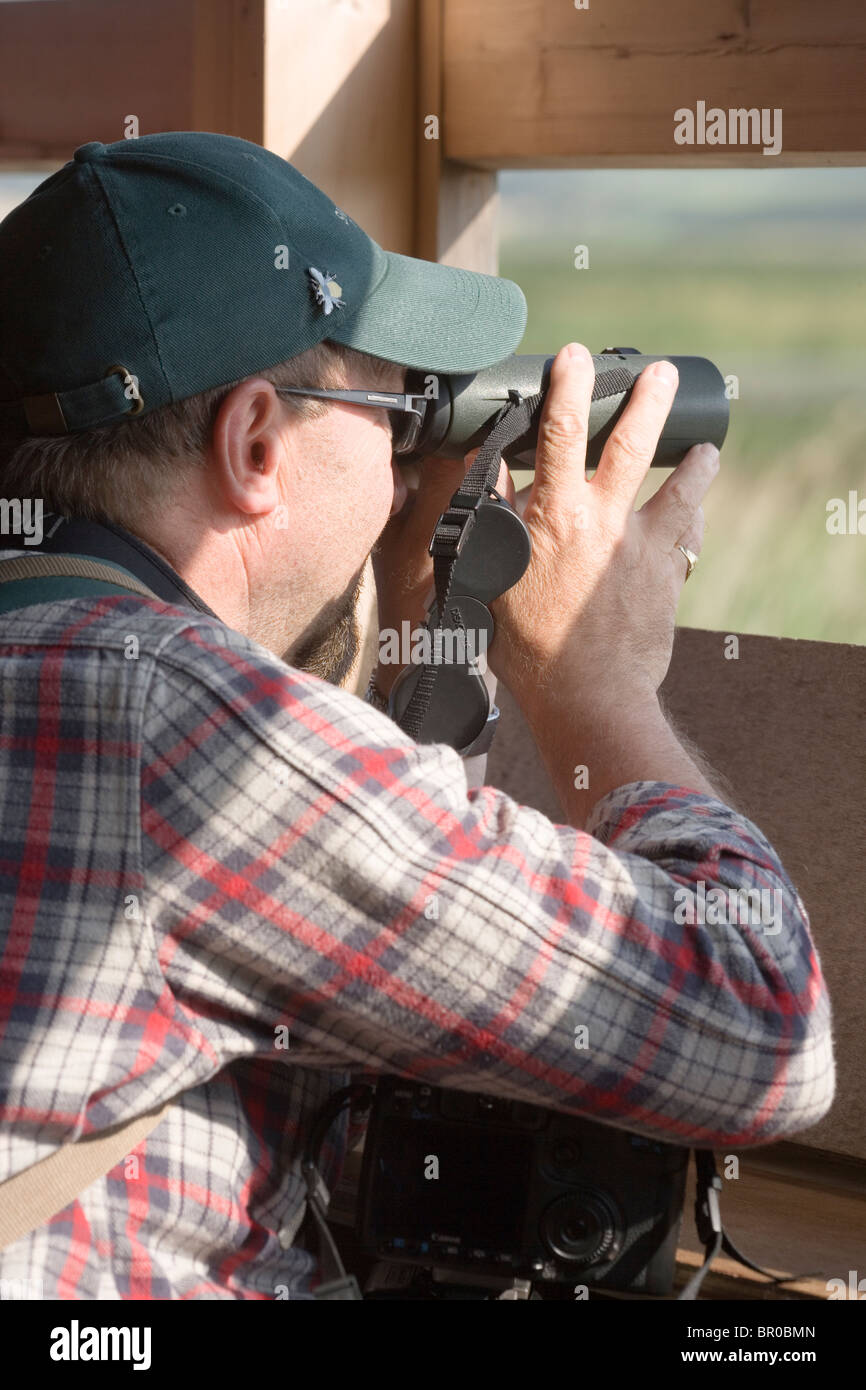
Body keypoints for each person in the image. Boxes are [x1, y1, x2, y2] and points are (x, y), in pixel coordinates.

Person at [0, 132, 834, 1300]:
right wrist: (593, 680)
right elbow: (761, 1025)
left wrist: (415, 601)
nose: (406, 457)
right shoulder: (194, 740)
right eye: (386, 401)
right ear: (253, 442)